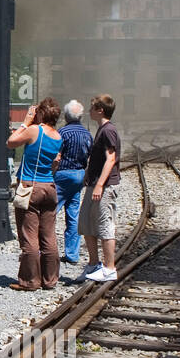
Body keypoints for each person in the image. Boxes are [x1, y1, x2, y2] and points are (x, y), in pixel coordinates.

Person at [7, 97, 63, 290]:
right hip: (49, 187)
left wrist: (25, 121)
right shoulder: (57, 136)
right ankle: (50, 279)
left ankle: (30, 281)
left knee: (29, 235)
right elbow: (55, 163)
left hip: (30, 186)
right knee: (48, 236)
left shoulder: (34, 130)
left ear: (40, 113)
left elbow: (11, 142)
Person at [79, 94, 122, 283]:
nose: (89, 111)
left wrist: (99, 185)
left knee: (105, 226)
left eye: (92, 108)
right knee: (86, 223)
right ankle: (94, 264)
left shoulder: (108, 131)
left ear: (100, 110)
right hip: (94, 183)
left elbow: (110, 158)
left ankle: (109, 269)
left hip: (104, 186)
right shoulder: (102, 130)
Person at [54, 100, 92, 265]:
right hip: (79, 175)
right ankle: (72, 254)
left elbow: (56, 156)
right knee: (73, 214)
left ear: (66, 116)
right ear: (81, 116)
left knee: (50, 212)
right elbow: (91, 156)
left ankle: (45, 250)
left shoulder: (62, 132)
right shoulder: (86, 134)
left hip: (62, 175)